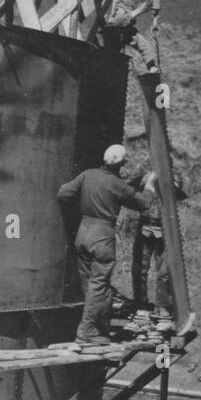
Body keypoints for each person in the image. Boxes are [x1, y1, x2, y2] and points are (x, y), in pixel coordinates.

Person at [58, 144, 153, 345]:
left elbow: (64, 193)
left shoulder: (87, 175)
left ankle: (100, 328)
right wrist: (150, 185)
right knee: (99, 286)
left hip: (83, 234)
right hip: (102, 238)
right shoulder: (117, 184)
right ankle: (86, 332)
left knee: (89, 285)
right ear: (122, 163)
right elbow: (143, 203)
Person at [129, 167, 187, 333]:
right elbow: (133, 191)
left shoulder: (174, 175)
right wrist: (147, 182)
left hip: (165, 231)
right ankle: (141, 309)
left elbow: (177, 194)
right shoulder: (147, 176)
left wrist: (170, 184)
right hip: (145, 230)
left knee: (164, 272)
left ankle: (164, 310)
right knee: (139, 270)